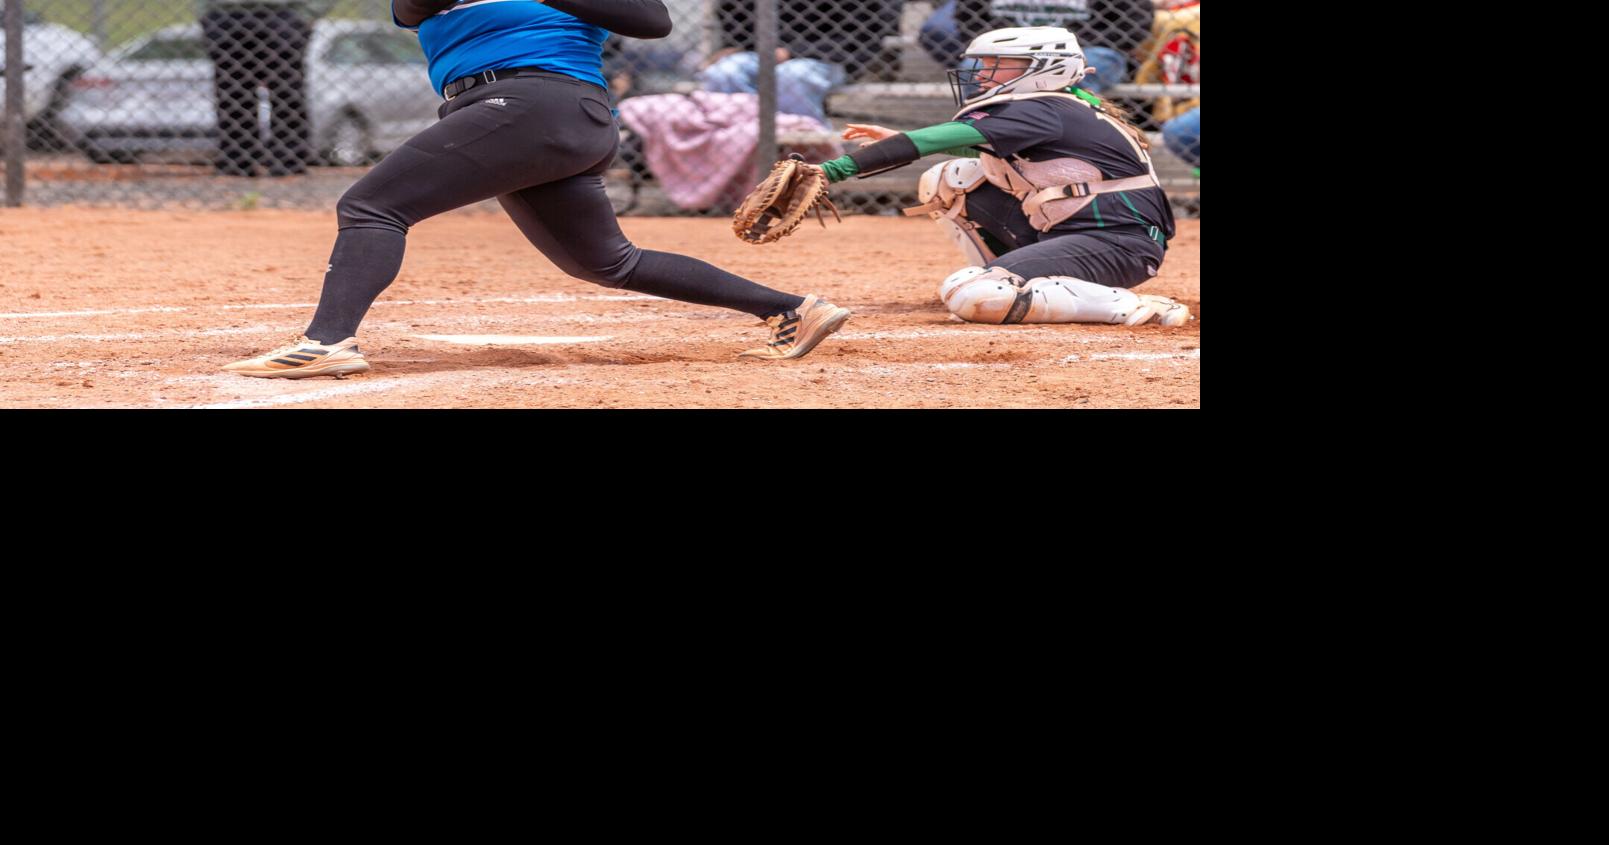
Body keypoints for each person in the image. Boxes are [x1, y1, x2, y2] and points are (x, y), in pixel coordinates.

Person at [223, 0, 851, 379]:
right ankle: (793, 308)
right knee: (608, 262)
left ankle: (327, 342)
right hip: (521, 114)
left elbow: (653, 20)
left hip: (538, 102)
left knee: (371, 205)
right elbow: (411, 9)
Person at [811, 25, 1187, 326]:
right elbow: (976, 148)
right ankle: (1010, 277)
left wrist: (833, 170)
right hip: (1071, 234)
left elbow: (937, 138)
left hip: (1118, 246)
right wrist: (902, 139)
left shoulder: (1046, 108)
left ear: (1043, 69)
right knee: (954, 176)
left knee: (971, 295)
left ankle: (1131, 306)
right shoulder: (1047, 108)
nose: (982, 72)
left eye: (1000, 62)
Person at [198, 0, 327, 176]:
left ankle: (288, 161)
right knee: (232, 95)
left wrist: (309, 12)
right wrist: (205, 11)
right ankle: (235, 161)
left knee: (287, 93)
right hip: (224, 13)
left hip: (283, 13)